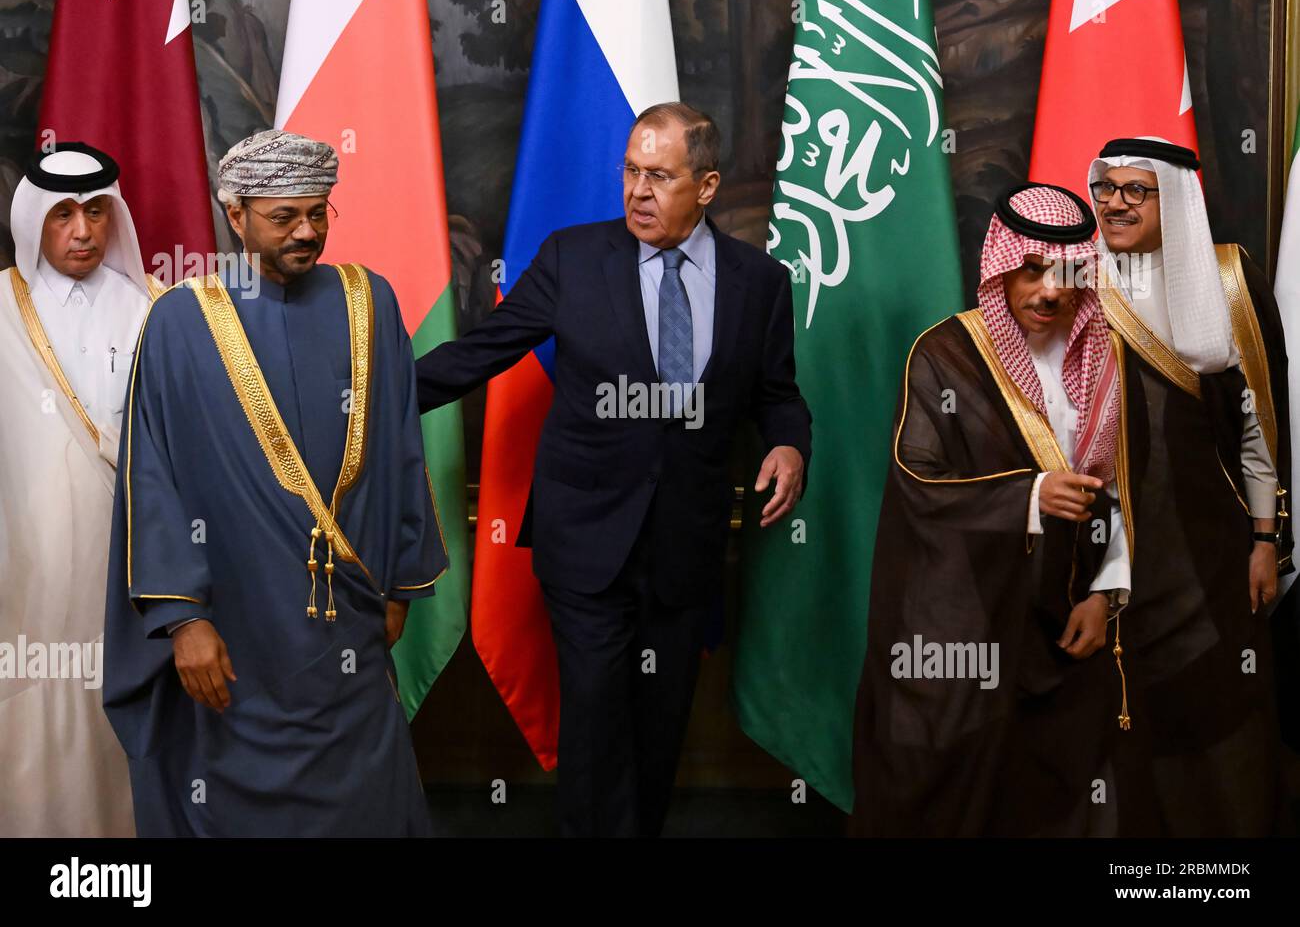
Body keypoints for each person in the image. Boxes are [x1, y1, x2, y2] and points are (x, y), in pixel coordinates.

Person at [415, 102, 812, 836]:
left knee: (659, 732)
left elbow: (777, 395)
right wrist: (372, 398)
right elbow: (484, 349)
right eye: (630, 171)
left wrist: (789, 445)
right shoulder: (572, 258)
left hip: (684, 548)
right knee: (595, 729)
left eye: (659, 176)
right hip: (586, 541)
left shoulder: (759, 281)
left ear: (708, 185)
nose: (636, 190)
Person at [101, 129, 447, 836]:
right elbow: (151, 475)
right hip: (235, 626)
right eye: (284, 216)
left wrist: (403, 583)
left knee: (365, 801)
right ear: (236, 216)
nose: (307, 232)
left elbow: (400, 451)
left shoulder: (368, 302)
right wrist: (184, 619)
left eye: (319, 213)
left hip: (348, 616)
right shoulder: (179, 321)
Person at [851, 184, 1133, 836]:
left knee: (1059, 789)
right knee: (941, 794)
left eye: (1065, 274)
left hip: (1063, 616)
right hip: (960, 620)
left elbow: (1121, 490)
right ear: (1002, 268)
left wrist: (1106, 594)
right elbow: (916, 479)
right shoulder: (945, 356)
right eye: (1031, 270)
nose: (1048, 292)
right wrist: (1030, 497)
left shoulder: (1107, 361)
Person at [1088, 137, 1289, 835]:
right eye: (1106, 188)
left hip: (1215, 549)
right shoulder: (1082, 285)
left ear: (1172, 198)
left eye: (1134, 191)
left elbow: (1260, 429)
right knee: (1131, 718)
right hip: (1118, 554)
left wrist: (1266, 540)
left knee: (1225, 712)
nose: (1115, 202)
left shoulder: (1231, 282)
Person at [0, 142, 159, 836]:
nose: (83, 231)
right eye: (63, 215)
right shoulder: (5, 308)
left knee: (118, 692)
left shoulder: (156, 307)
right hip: (23, 553)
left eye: (97, 212)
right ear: (35, 221)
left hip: (130, 548)